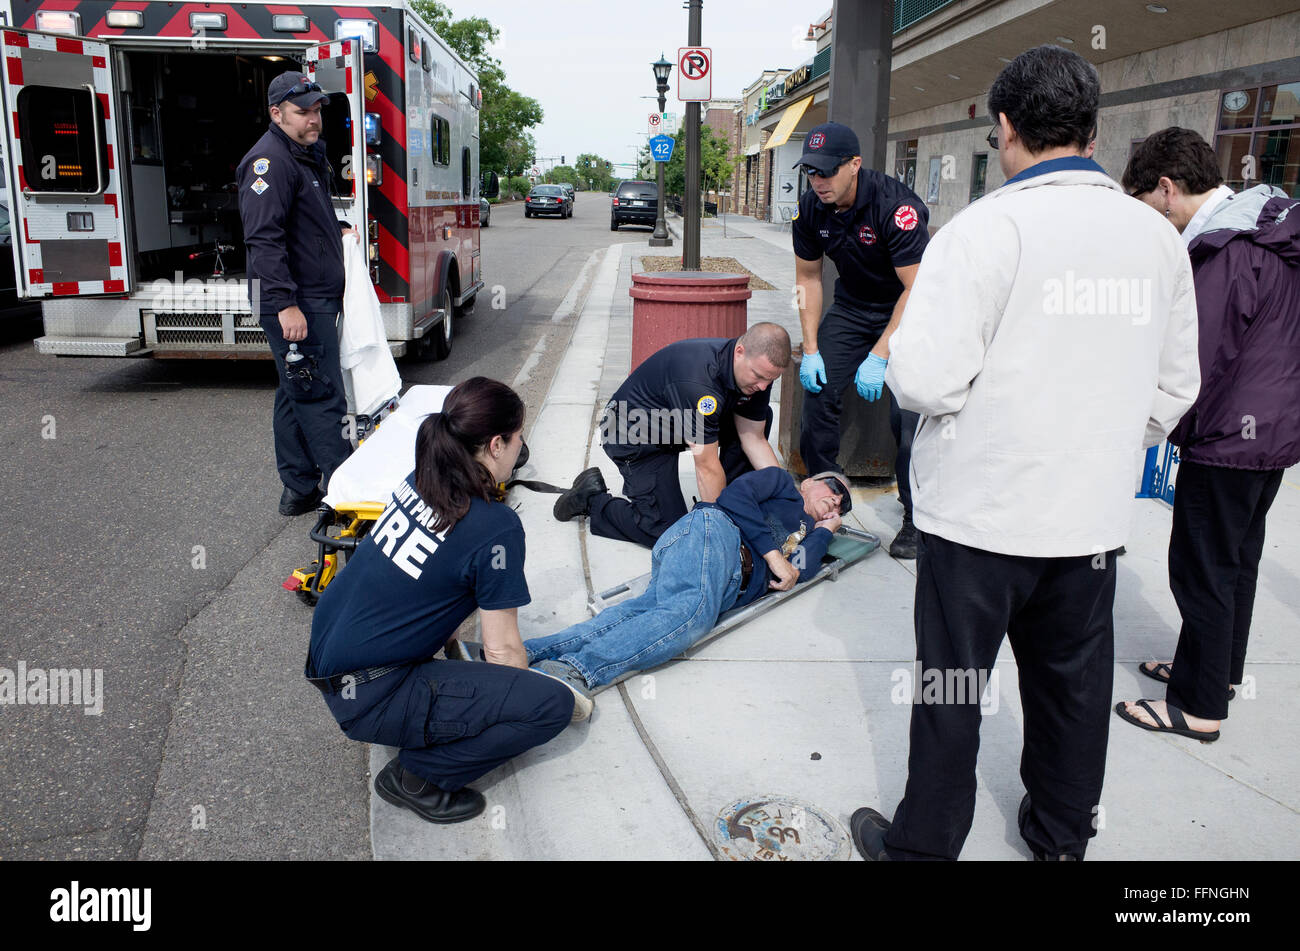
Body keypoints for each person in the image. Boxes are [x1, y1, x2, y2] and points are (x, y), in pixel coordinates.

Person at [848, 46, 1201, 862]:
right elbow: (1176, 385)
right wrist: (1103, 440)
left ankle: (924, 847)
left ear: (1005, 127)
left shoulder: (982, 230)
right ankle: (1061, 838)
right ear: (1092, 131)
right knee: (1072, 690)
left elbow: (925, 379)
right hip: (1089, 519)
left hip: (980, 517)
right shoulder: (1156, 238)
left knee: (951, 691)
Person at [305, 378, 580, 825]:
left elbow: (430, 584)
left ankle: (416, 718)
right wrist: (515, 701)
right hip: (372, 695)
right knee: (550, 706)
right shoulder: (496, 528)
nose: (522, 446)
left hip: (333, 664)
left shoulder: (421, 481)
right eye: (518, 436)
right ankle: (418, 778)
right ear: (496, 445)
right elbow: (502, 652)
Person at [1115, 128, 1300, 742]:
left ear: (1167, 189)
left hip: (1228, 439)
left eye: (1146, 203)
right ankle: (1217, 674)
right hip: (1273, 432)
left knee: (1200, 569)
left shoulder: (1224, 249)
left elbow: (1196, 363)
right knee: (1236, 560)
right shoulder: (1268, 229)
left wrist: (1155, 427)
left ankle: (1198, 708)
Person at [525, 469, 850, 709]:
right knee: (691, 616)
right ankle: (575, 669)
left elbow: (800, 571)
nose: (836, 500)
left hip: (722, 576)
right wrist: (774, 557)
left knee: (641, 612)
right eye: (834, 488)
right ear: (808, 482)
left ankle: (531, 652)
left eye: (843, 505)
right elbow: (734, 498)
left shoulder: (811, 533)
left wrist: (825, 531)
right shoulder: (781, 483)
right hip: (716, 534)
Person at [791, 121, 929, 559]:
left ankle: (916, 518)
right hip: (851, 308)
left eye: (828, 171)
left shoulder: (897, 208)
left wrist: (881, 354)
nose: (819, 181)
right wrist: (811, 348)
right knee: (818, 391)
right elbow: (807, 279)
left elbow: (916, 289)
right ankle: (824, 496)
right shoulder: (811, 207)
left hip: (907, 311)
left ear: (854, 164)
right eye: (811, 171)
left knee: (906, 416)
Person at [552, 323, 791, 548]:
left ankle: (737, 504)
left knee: (759, 417)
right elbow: (706, 466)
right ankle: (591, 500)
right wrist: (720, 533)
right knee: (669, 533)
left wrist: (786, 493)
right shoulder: (700, 383)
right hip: (633, 434)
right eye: (758, 376)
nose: (763, 386)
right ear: (740, 352)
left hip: (674, 425)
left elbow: (753, 438)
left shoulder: (758, 372)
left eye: (770, 379)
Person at [238, 71, 353, 517]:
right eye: (302, 111)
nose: (314, 119)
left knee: (295, 392)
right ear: (276, 113)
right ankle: (347, 495)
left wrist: (336, 232)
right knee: (321, 396)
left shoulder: (301, 155)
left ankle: (299, 489)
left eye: (317, 109)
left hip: (310, 295)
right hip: (296, 300)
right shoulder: (269, 162)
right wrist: (286, 304)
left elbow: (301, 223)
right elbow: (264, 240)